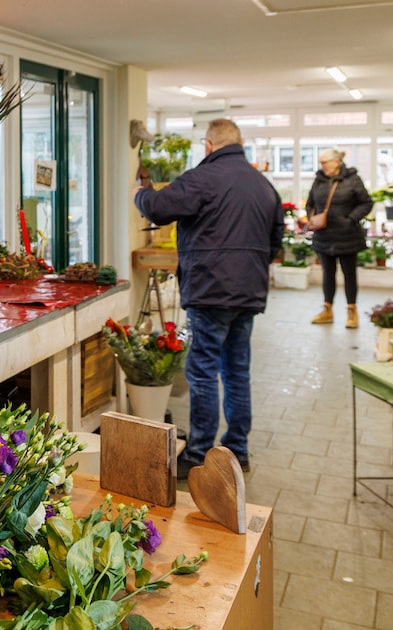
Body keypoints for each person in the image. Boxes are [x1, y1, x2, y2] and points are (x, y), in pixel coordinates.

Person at [132, 118, 284, 479]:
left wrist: (139, 190)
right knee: (236, 371)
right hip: (248, 294)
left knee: (202, 372)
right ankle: (238, 450)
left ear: (209, 145)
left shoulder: (203, 178)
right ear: (239, 143)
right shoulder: (264, 186)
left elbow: (157, 207)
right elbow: (276, 243)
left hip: (211, 291)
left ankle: (199, 452)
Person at [306, 148, 373, 329]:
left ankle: (352, 311)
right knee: (328, 274)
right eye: (321, 163)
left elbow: (367, 202)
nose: (322, 166)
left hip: (347, 236)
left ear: (337, 162)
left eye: (325, 162)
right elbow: (310, 203)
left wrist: (350, 219)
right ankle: (327, 310)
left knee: (349, 274)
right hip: (324, 235)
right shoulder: (319, 180)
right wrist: (312, 218)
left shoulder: (352, 179)